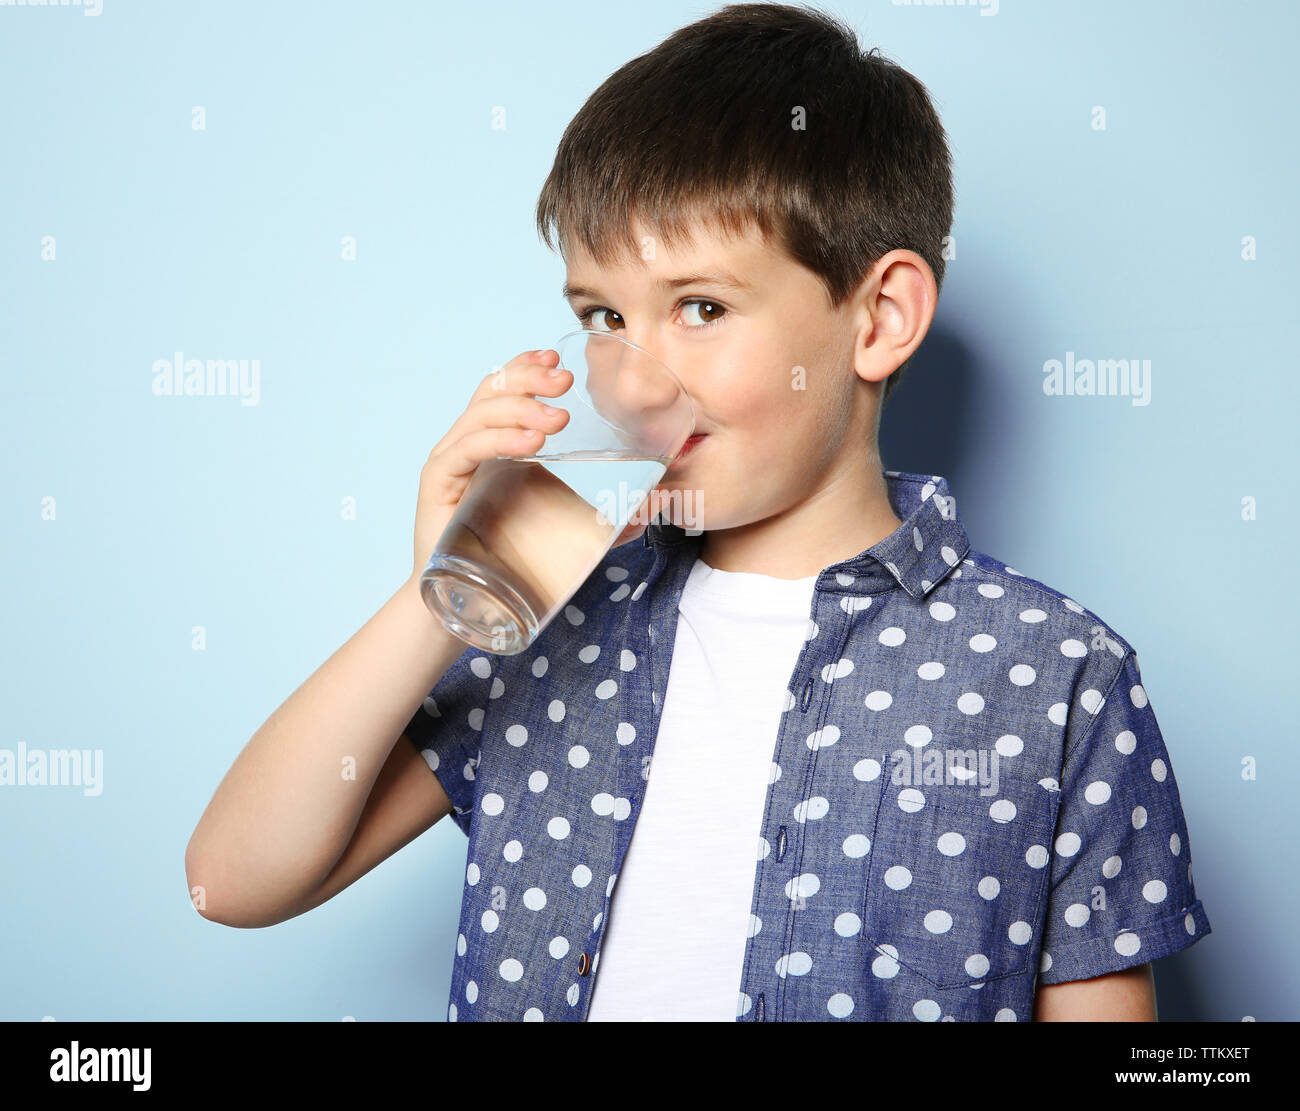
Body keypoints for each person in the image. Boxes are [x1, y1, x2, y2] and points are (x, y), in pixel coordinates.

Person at [185, 2, 1211, 1022]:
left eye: (702, 308)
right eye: (604, 317)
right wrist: (435, 597)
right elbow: (231, 881)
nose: (632, 383)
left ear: (879, 317)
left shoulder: (1054, 674)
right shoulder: (555, 624)